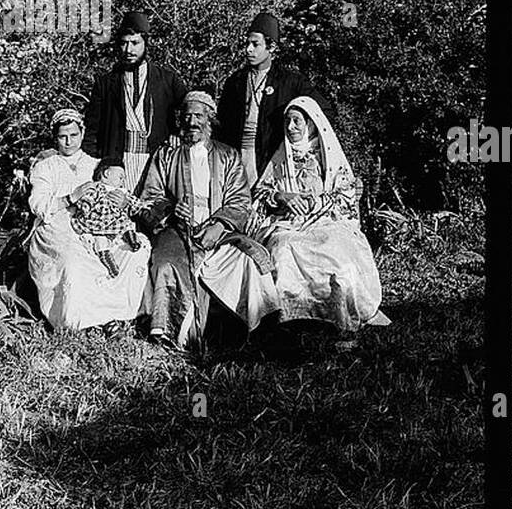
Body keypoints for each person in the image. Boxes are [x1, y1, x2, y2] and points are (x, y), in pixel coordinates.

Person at [137, 91, 279, 349]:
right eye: (187, 116)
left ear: (210, 120)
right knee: (166, 263)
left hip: (220, 231)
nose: (192, 122)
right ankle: (169, 335)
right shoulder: (167, 155)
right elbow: (151, 196)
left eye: (199, 116)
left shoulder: (228, 156)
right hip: (177, 230)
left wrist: (220, 224)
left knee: (250, 259)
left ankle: (257, 333)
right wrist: (170, 209)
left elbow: (239, 200)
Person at [252, 95, 387, 333]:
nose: (291, 127)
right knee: (282, 251)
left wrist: (316, 204)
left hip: (327, 221)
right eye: (288, 122)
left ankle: (337, 316)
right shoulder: (280, 156)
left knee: (337, 253)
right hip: (289, 224)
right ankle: (294, 320)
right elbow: (261, 193)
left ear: (311, 123)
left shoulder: (328, 155)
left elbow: (345, 194)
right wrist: (284, 197)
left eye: (297, 121)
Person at [26, 108, 151, 332]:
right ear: (55, 137)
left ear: (82, 134)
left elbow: (118, 190)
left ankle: (117, 315)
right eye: (63, 136)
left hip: (99, 225)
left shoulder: (95, 164)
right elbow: (38, 206)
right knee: (73, 260)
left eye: (74, 135)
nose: (69, 141)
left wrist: (121, 201)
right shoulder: (46, 166)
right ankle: (80, 322)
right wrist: (71, 197)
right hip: (57, 225)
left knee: (136, 249)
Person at [216, 9, 330, 188]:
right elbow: (221, 124)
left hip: (273, 159)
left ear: (272, 47)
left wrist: (301, 142)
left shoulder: (290, 81)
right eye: (247, 44)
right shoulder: (235, 81)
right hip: (237, 159)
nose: (248, 49)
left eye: (255, 44)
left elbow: (324, 111)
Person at [83, 9, 188, 194]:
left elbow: (192, 110)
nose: (129, 50)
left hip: (156, 162)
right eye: (123, 44)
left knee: (150, 213)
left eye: (135, 43)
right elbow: (92, 129)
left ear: (146, 43)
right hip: (118, 165)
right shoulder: (106, 84)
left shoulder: (167, 80)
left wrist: (179, 134)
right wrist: (98, 164)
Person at [70, 158, 144, 277]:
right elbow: (89, 198)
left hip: (115, 221)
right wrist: (85, 206)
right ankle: (106, 256)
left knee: (127, 223)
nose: (123, 180)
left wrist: (139, 205)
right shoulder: (97, 188)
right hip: (99, 220)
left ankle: (131, 238)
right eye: (120, 177)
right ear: (107, 174)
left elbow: (133, 202)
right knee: (100, 239)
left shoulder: (121, 191)